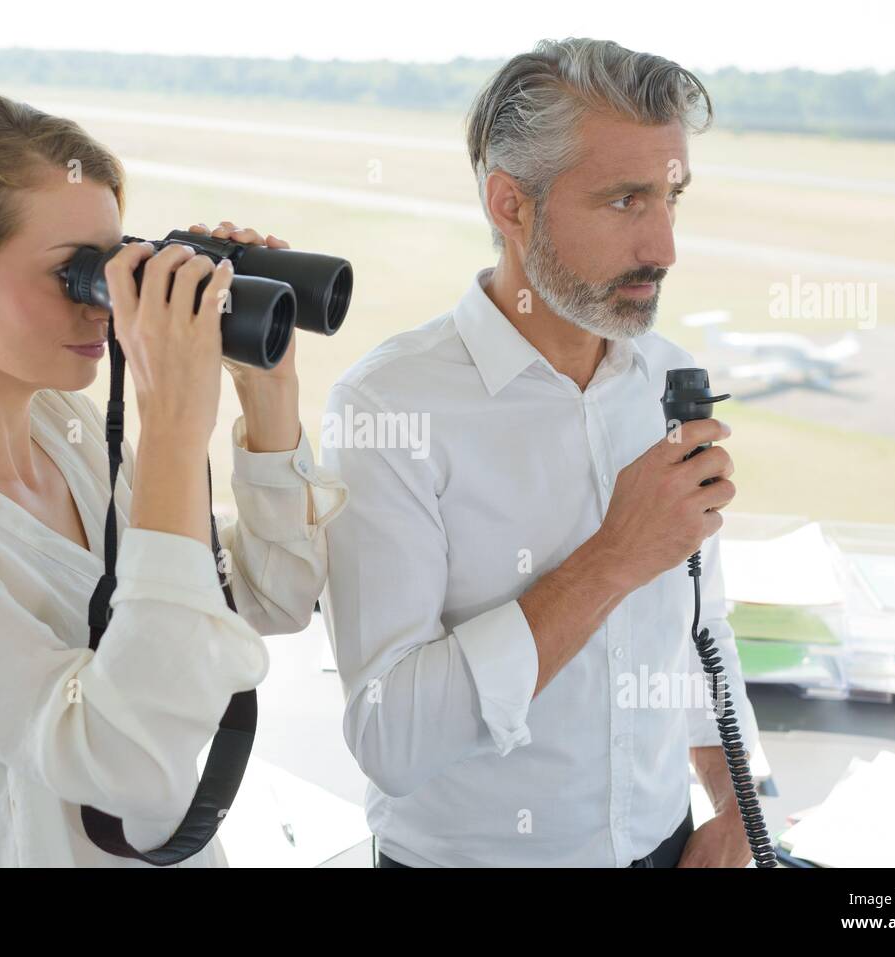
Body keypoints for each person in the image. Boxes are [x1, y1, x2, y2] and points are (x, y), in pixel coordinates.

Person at [0, 91, 347, 867]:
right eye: (77, 274)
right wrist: (173, 429)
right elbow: (124, 763)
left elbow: (269, 592)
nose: (107, 308)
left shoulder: (74, 433)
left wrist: (266, 387)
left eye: (116, 265)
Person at [320, 38, 759, 868]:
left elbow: (700, 627)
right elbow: (391, 735)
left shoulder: (664, 375)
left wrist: (740, 800)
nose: (664, 247)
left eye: (670, 198)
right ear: (510, 204)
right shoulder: (387, 410)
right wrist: (615, 557)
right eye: (626, 200)